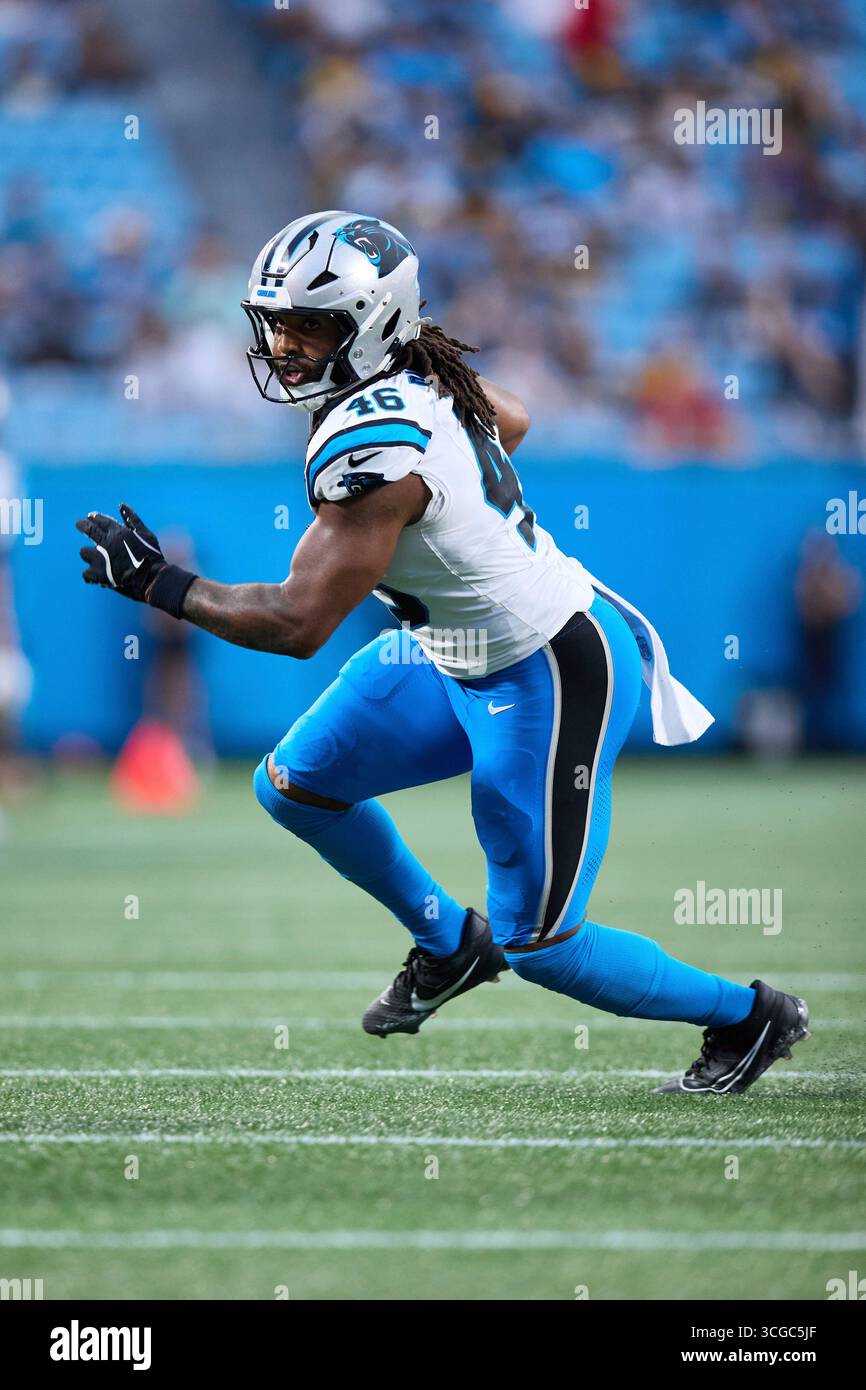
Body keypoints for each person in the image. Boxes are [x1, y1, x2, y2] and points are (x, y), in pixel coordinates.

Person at [76, 212, 809, 1094]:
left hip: (549, 666)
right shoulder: (422, 372)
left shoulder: (375, 448)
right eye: (277, 322)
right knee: (297, 784)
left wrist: (163, 586)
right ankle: (447, 943)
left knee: (543, 943)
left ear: (372, 326)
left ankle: (748, 1016)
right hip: (451, 647)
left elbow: (300, 624)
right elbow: (517, 419)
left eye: (311, 325)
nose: (284, 346)